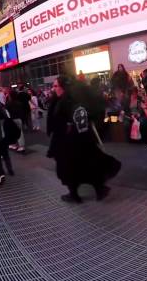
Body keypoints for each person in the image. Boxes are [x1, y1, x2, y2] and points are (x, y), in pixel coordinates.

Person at [46, 75, 120, 203]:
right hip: (80, 140)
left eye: (56, 86)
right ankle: (98, 189)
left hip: (69, 143)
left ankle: (77, 194)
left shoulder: (65, 101)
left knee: (70, 168)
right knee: (86, 166)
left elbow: (59, 121)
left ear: (63, 87)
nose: (54, 89)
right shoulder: (71, 99)